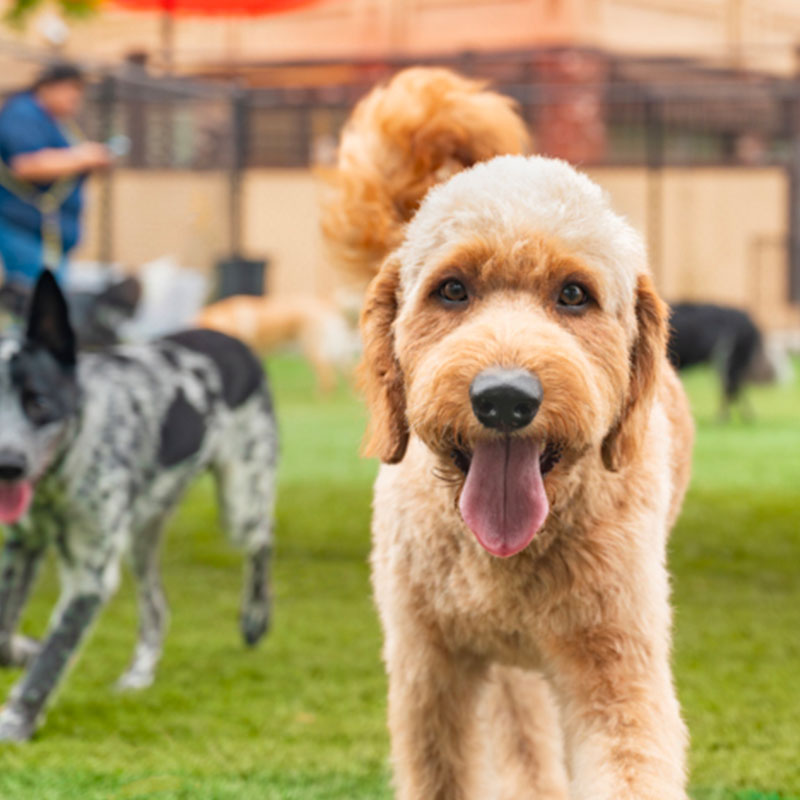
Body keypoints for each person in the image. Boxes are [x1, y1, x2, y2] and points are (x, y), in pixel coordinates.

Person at [0, 62, 111, 290]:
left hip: (49, 232)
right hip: (25, 227)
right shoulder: (22, 114)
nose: (76, 97)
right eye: (72, 89)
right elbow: (27, 164)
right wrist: (82, 157)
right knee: (34, 299)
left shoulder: (56, 121)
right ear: (48, 87)